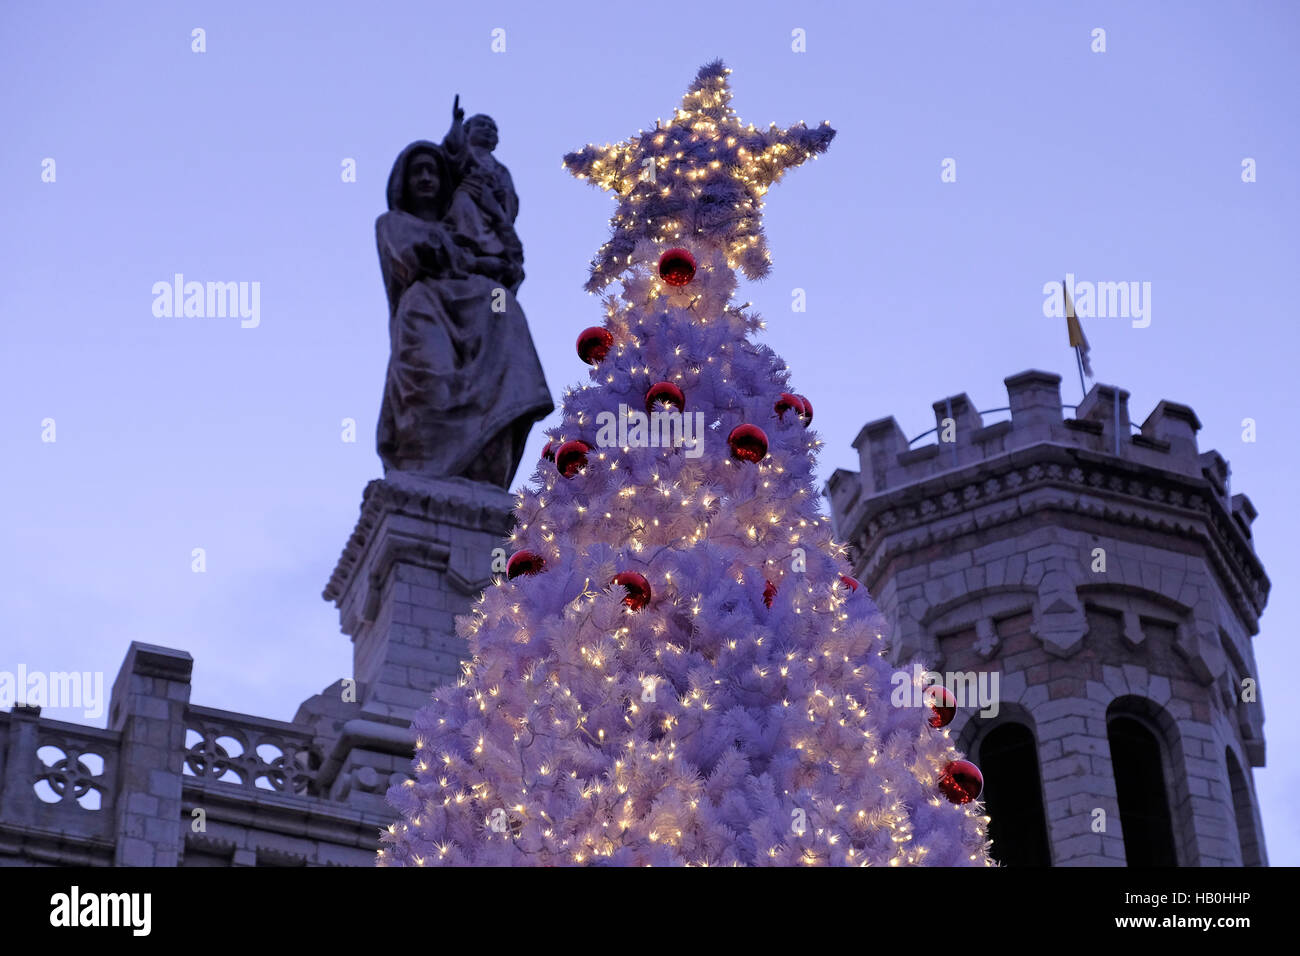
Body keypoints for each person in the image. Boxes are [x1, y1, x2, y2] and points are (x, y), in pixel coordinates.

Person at [374, 115, 552, 489]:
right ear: (402, 182)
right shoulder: (392, 223)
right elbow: (418, 256)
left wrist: (488, 214)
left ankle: (488, 463)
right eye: (417, 172)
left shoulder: (468, 229)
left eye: (433, 172)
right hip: (427, 306)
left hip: (476, 302)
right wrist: (471, 259)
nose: (426, 178)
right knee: (431, 384)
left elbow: (509, 262)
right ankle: (425, 471)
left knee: (504, 309)